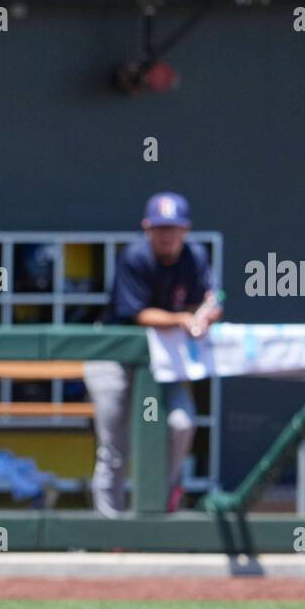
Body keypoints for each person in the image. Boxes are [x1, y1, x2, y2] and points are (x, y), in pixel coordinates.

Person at [84, 192, 221, 516]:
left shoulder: (196, 257)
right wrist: (183, 319)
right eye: (160, 228)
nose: (166, 235)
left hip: (163, 359)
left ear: (185, 229)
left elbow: (211, 299)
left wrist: (207, 312)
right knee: (115, 449)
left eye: (173, 228)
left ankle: (161, 503)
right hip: (116, 358)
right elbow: (138, 314)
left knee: (181, 424)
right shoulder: (135, 256)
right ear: (147, 228)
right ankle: (111, 528)